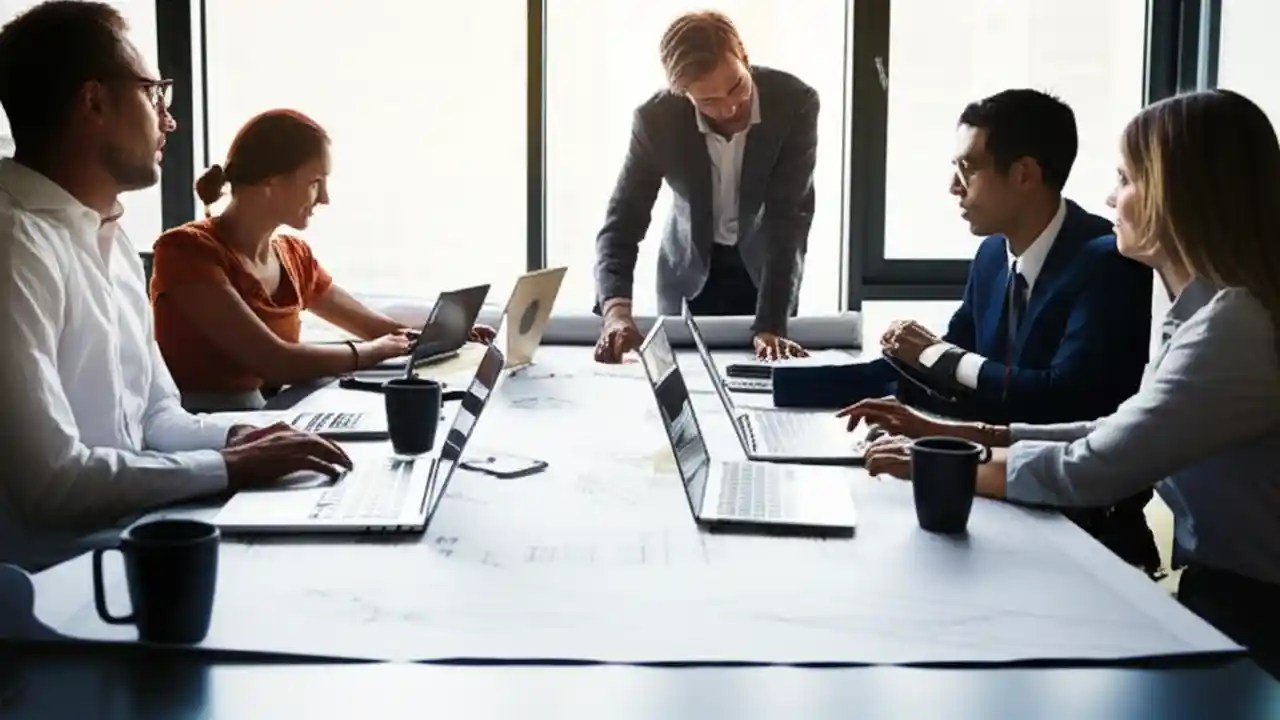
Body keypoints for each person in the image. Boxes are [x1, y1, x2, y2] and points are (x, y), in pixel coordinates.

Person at [844, 89, 1280, 677]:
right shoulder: (1202, 312)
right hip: (1225, 591)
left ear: (1178, 194)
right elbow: (1118, 428)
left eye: (1126, 178)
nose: (1108, 197)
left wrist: (941, 463)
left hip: (1255, 608)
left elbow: (1096, 465)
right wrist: (957, 434)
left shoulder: (1231, 327)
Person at [0, 1, 351, 569]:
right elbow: (53, 484)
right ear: (93, 102)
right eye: (152, 93)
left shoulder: (106, 238)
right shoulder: (14, 245)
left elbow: (157, 420)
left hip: (133, 540)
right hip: (54, 590)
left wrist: (248, 436)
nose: (169, 120)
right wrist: (233, 467)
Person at [825, 90, 1159, 573]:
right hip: (998, 500)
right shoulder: (991, 255)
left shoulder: (1108, 263)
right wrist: (787, 388)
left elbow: (1065, 398)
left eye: (967, 169)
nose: (953, 187)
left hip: (1084, 532)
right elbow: (946, 378)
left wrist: (941, 359)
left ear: (1023, 174)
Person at [150, 109, 495, 412]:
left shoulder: (294, 255)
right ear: (271, 180)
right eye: (316, 182)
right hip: (206, 427)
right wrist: (372, 352)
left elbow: (375, 328)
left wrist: (446, 339)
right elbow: (274, 361)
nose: (325, 198)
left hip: (266, 413)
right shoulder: (186, 251)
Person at [593, 10, 818, 364]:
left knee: (761, 379)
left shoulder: (794, 103)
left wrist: (773, 324)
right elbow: (623, 222)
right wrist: (616, 313)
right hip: (687, 275)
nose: (730, 108)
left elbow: (787, 218)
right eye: (709, 101)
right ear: (683, 93)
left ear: (744, 55)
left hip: (764, 274)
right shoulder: (656, 120)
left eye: (737, 87)